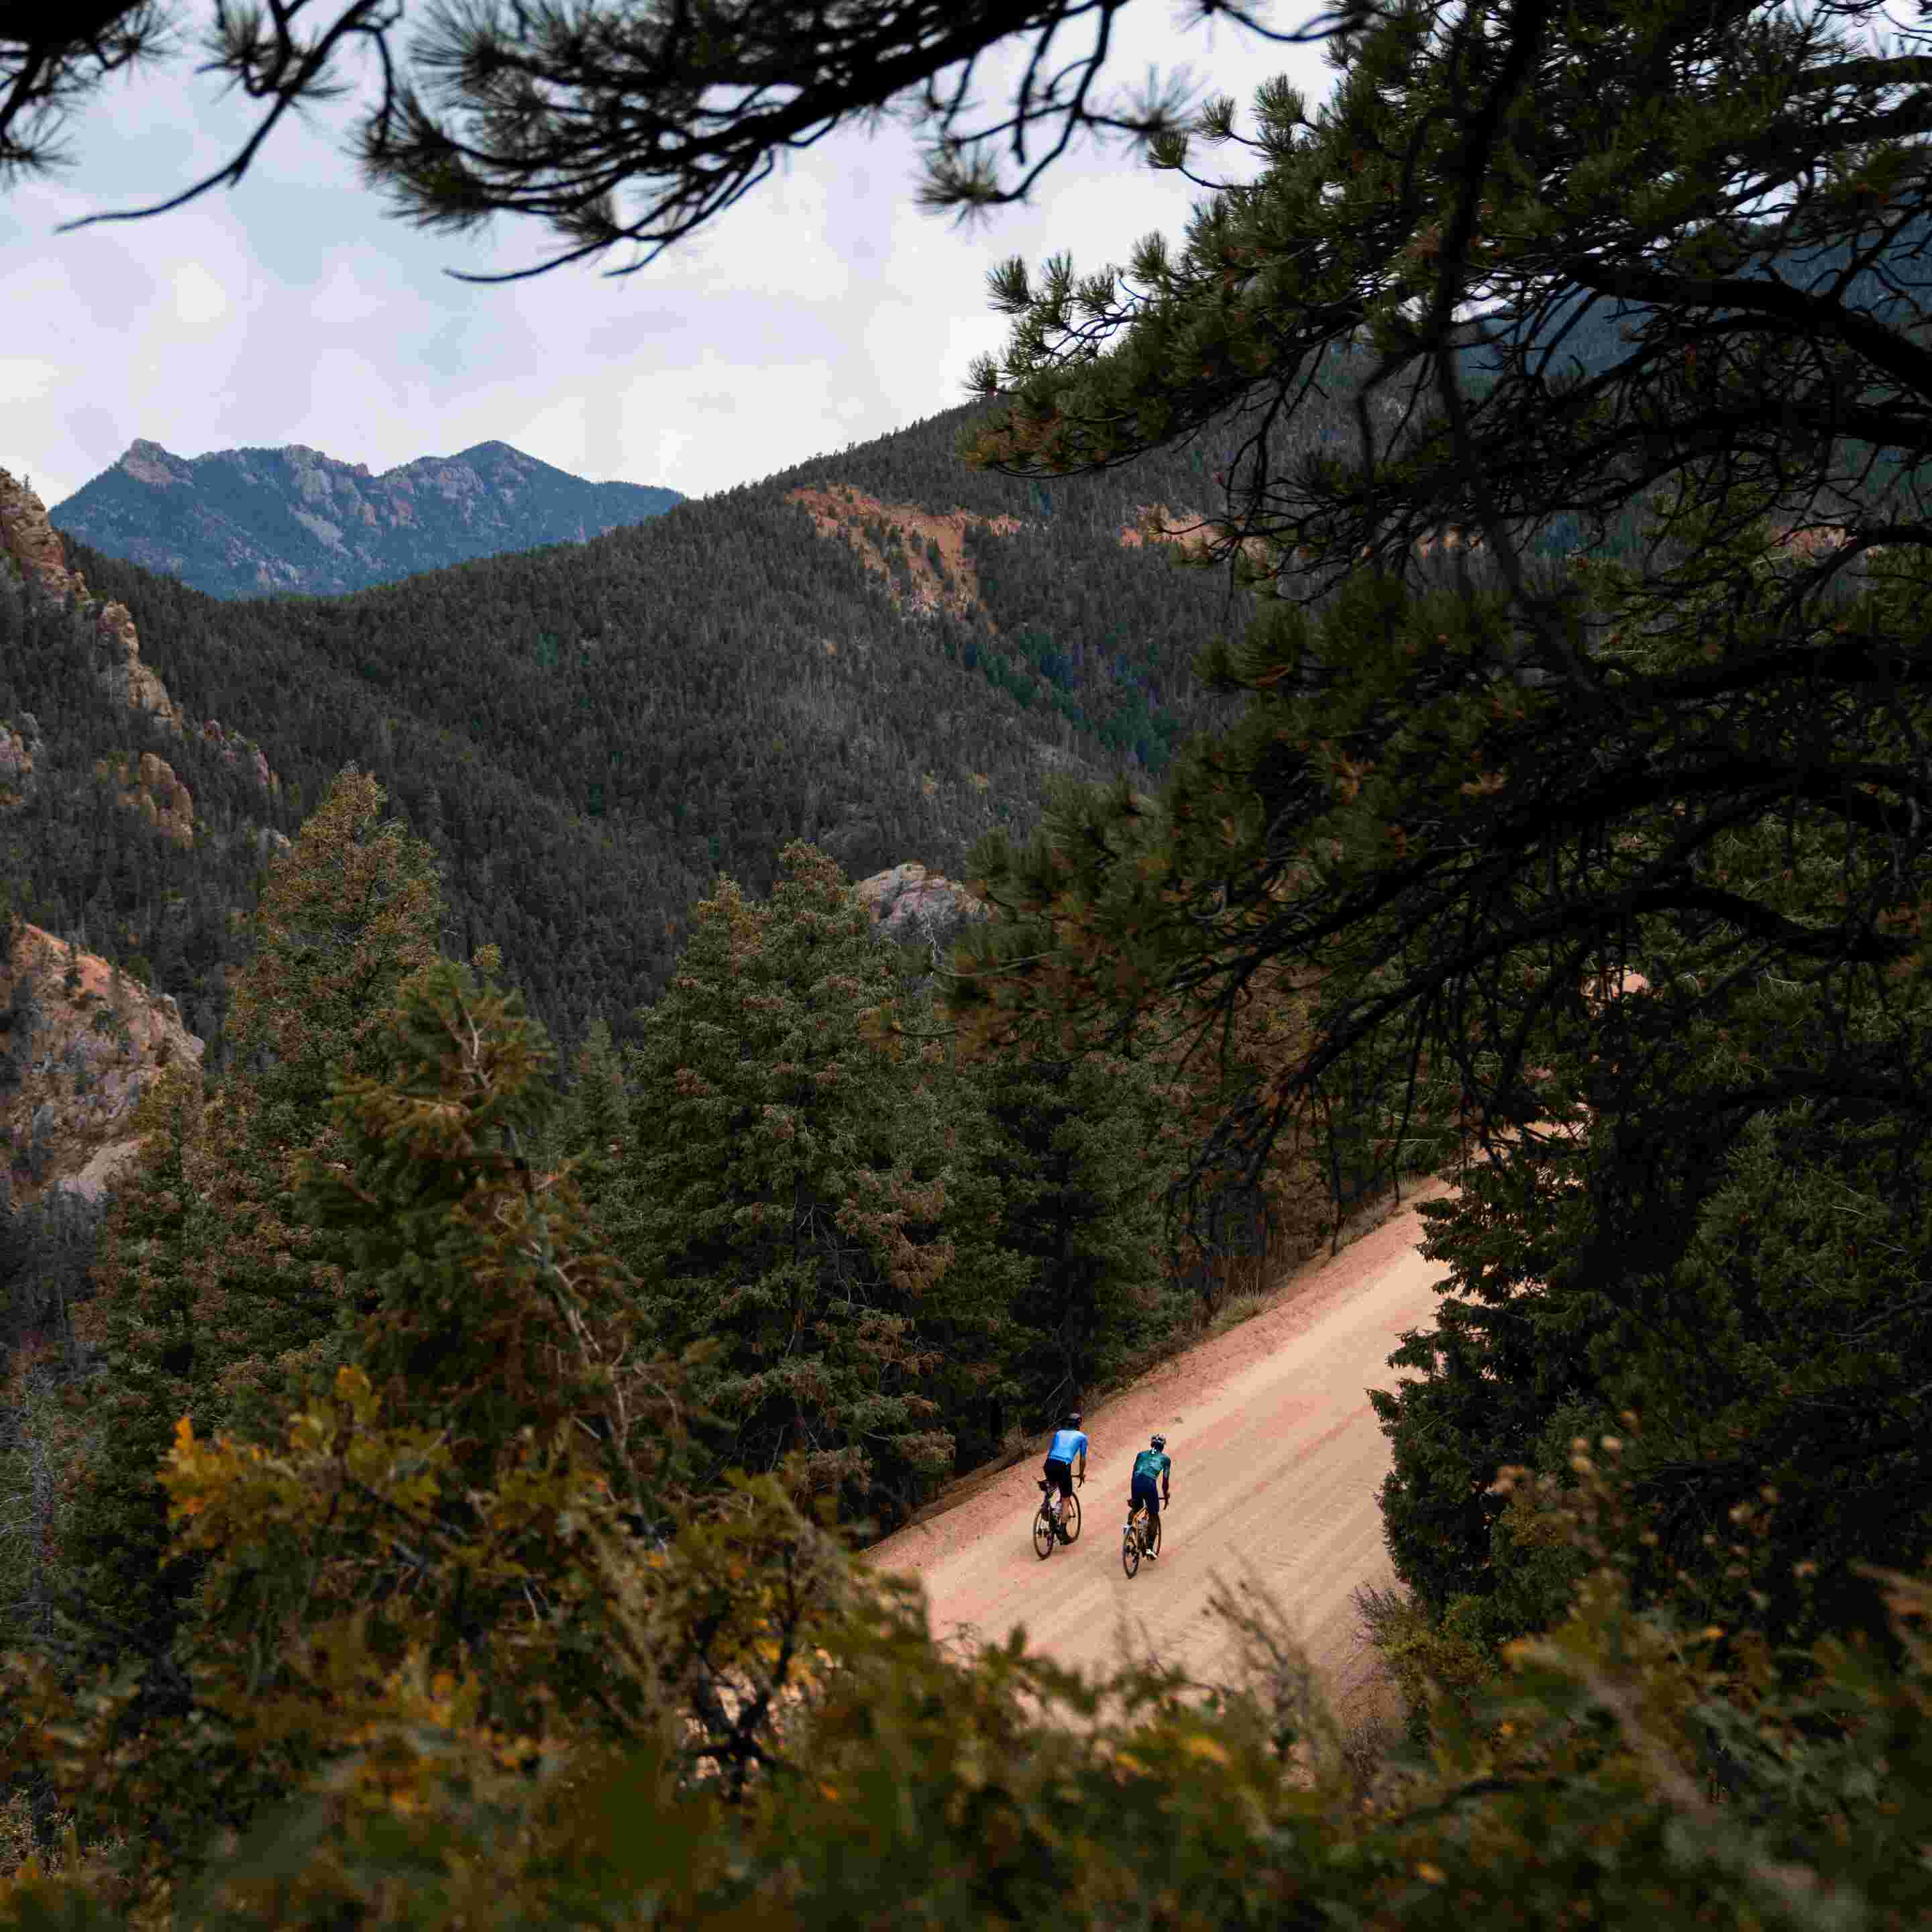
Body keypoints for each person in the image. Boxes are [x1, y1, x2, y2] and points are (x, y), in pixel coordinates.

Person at [1042, 1410, 1088, 1541]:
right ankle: (1062, 1532)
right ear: (1079, 1424)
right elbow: (1082, 1459)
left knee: (1052, 1485)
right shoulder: (1082, 1437)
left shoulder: (1059, 1433)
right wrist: (1080, 1474)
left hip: (1049, 1463)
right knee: (1066, 1498)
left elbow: (1051, 1450)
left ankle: (1046, 1505)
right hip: (1063, 1465)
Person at [1129, 1434, 1172, 1556]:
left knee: (1136, 1507)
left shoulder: (1141, 1455)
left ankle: (1128, 1526)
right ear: (1163, 1447)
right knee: (1153, 1515)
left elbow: (1134, 1472)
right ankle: (1149, 1548)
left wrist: (1133, 1497)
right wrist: (1166, 1495)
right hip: (1149, 1483)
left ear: (1151, 1444)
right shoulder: (1165, 1460)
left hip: (1135, 1481)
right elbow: (1165, 1482)